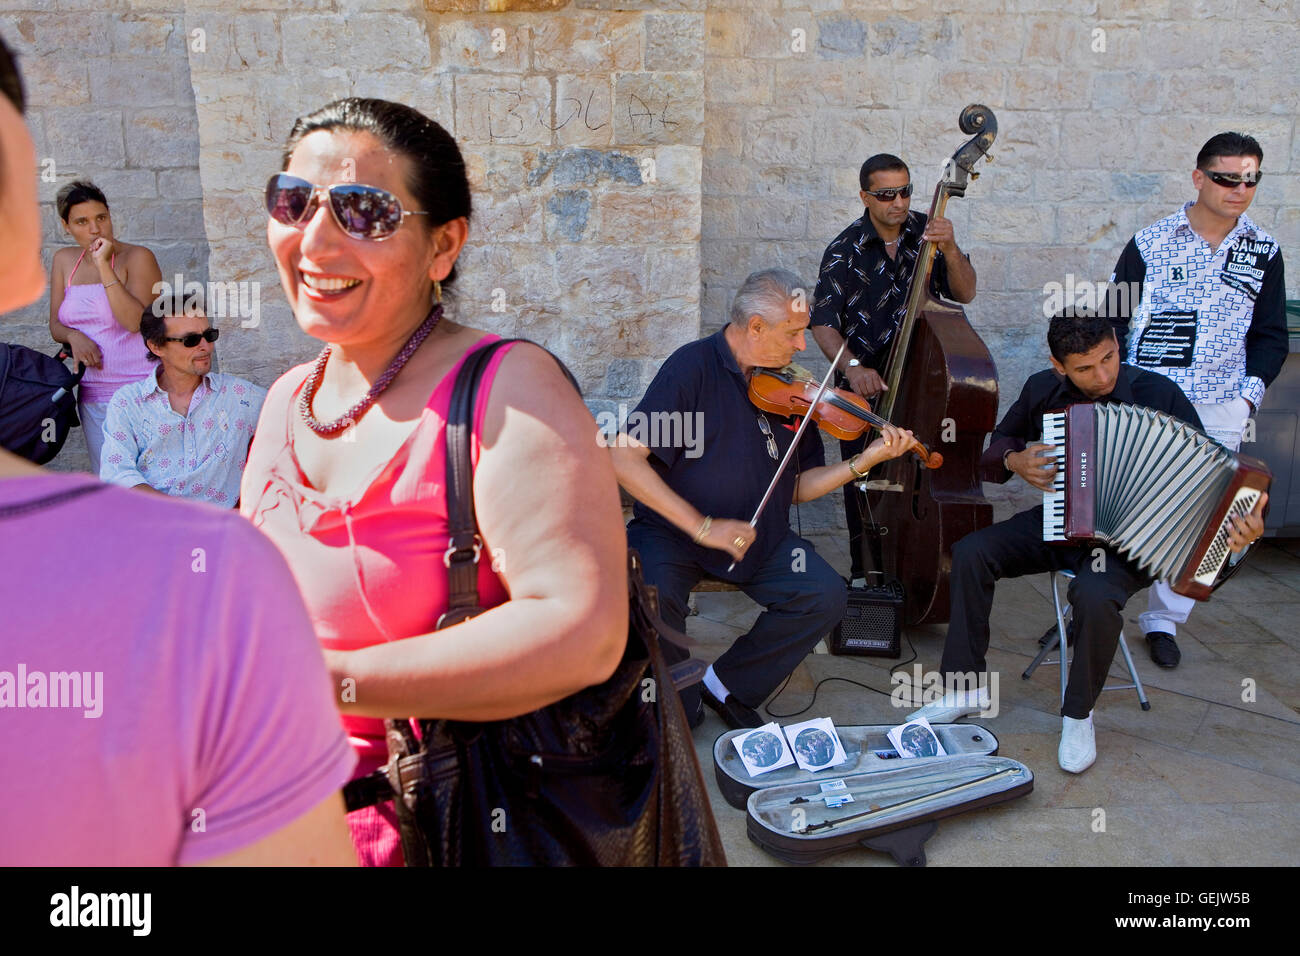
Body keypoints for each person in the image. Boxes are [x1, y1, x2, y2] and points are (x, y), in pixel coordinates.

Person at [0, 31, 358, 866]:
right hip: (105, 395)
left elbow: (141, 324)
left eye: (209, 336)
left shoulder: (236, 399)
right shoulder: (203, 583)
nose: (203, 345)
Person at [241, 97, 629, 866]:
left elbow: (581, 633)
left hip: (434, 826)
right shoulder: (289, 396)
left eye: (365, 211)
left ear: (444, 244)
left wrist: (327, 683)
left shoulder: (507, 388)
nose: (314, 239)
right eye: (295, 202)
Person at [908, 311, 1267, 774]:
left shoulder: (1158, 394)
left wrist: (1244, 530)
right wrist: (1016, 460)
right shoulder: (1042, 389)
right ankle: (965, 688)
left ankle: (1078, 714)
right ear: (1059, 366)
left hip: (1133, 542)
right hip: (1061, 521)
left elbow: (1215, 481)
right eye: (1084, 368)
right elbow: (997, 449)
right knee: (973, 551)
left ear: (1117, 344)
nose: (1101, 375)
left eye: (1108, 359)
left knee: (1094, 593)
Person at [610, 268, 919, 730]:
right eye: (794, 333)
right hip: (674, 533)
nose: (802, 346)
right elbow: (622, 457)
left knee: (824, 595)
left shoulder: (792, 389)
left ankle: (728, 683)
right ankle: (678, 693)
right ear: (755, 328)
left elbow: (799, 485)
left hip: (760, 536)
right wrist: (703, 527)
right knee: (652, 596)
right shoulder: (692, 369)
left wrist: (864, 461)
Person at [1107, 132, 1287, 669]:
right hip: (1147, 404)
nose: (1240, 189)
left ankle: (1165, 619)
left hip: (1221, 406)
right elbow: (1114, 321)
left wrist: (1246, 402)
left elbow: (1270, 335)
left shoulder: (1264, 251)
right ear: (1199, 178)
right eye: (1229, 177)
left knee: (1206, 520)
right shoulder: (1148, 244)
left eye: (1251, 179)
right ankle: (1092, 601)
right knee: (1124, 504)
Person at [809, 153, 976, 586]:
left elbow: (966, 292)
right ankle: (866, 574)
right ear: (865, 196)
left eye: (905, 192)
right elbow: (823, 324)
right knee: (862, 480)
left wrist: (951, 247)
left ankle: (921, 571)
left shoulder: (928, 233)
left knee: (920, 477)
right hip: (865, 389)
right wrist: (854, 366)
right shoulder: (842, 250)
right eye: (886, 195)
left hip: (922, 384)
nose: (898, 203)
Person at [99, 299, 266, 506]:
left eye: (209, 335)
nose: (205, 347)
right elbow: (116, 474)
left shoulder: (241, 397)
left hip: (223, 530)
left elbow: (295, 421)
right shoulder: (128, 403)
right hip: (154, 526)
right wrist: (182, 516)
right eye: (191, 340)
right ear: (156, 346)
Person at [47, 180, 163, 474]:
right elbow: (55, 324)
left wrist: (103, 265)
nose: (95, 229)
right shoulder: (63, 261)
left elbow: (135, 322)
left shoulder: (138, 257)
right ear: (66, 226)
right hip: (92, 392)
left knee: (150, 478)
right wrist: (74, 337)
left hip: (140, 389)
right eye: (82, 222)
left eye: (101, 218)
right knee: (110, 478)